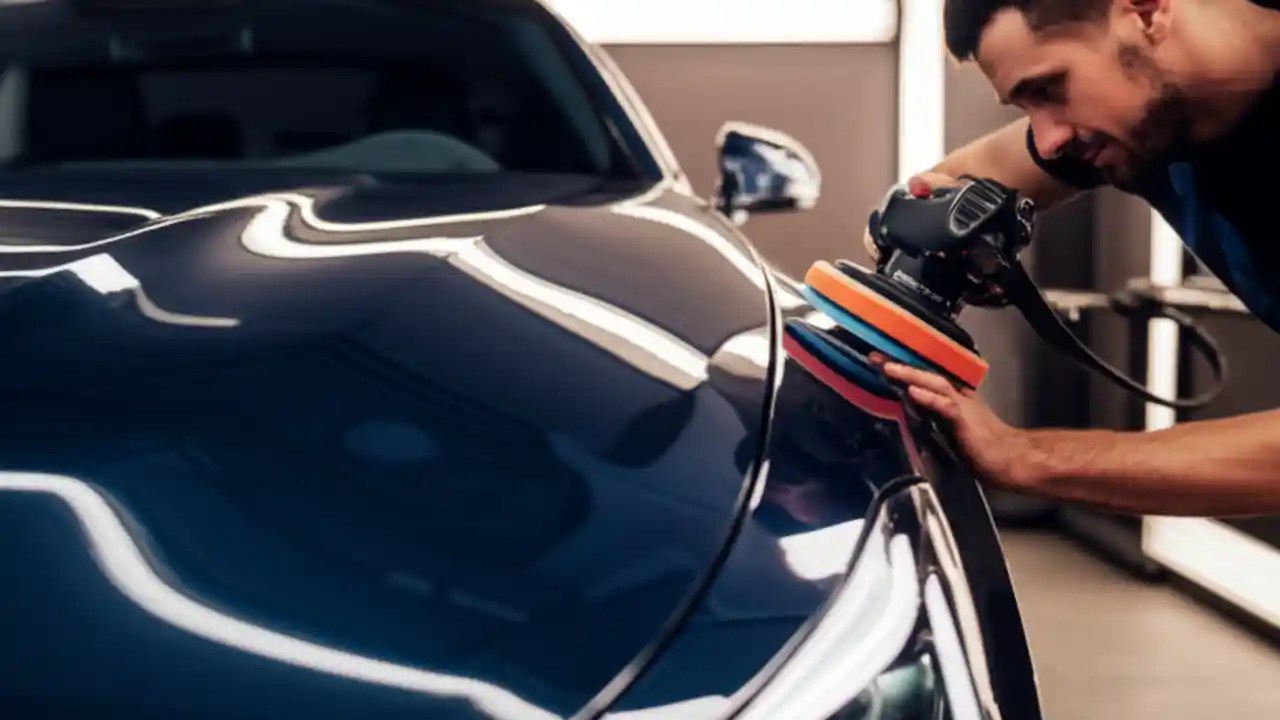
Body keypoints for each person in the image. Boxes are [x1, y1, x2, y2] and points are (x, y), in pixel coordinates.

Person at [862, 0, 1280, 518]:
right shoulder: (1148, 111)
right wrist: (937, 235)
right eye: (1027, 106)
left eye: (1049, 89)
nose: (1048, 139)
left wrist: (1025, 457)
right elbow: (954, 181)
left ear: (1147, 12)